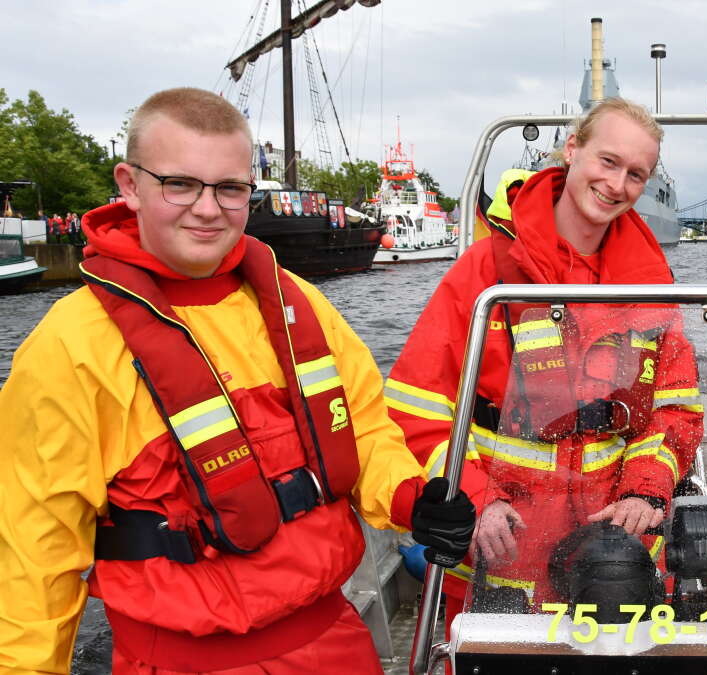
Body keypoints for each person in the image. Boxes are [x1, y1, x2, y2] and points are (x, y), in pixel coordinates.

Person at [0, 87, 475, 675]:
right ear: (129, 184)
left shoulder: (296, 303)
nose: (207, 208)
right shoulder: (69, 347)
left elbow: (365, 431)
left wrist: (411, 498)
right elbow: (32, 556)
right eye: (180, 183)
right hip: (180, 661)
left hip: (334, 642)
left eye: (229, 188)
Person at [385, 98, 703, 621]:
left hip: (612, 555)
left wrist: (645, 492)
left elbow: (675, 411)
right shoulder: (485, 270)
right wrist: (474, 497)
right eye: (608, 161)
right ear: (572, 150)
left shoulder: (650, 282)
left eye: (636, 174)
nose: (617, 184)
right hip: (499, 555)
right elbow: (413, 411)